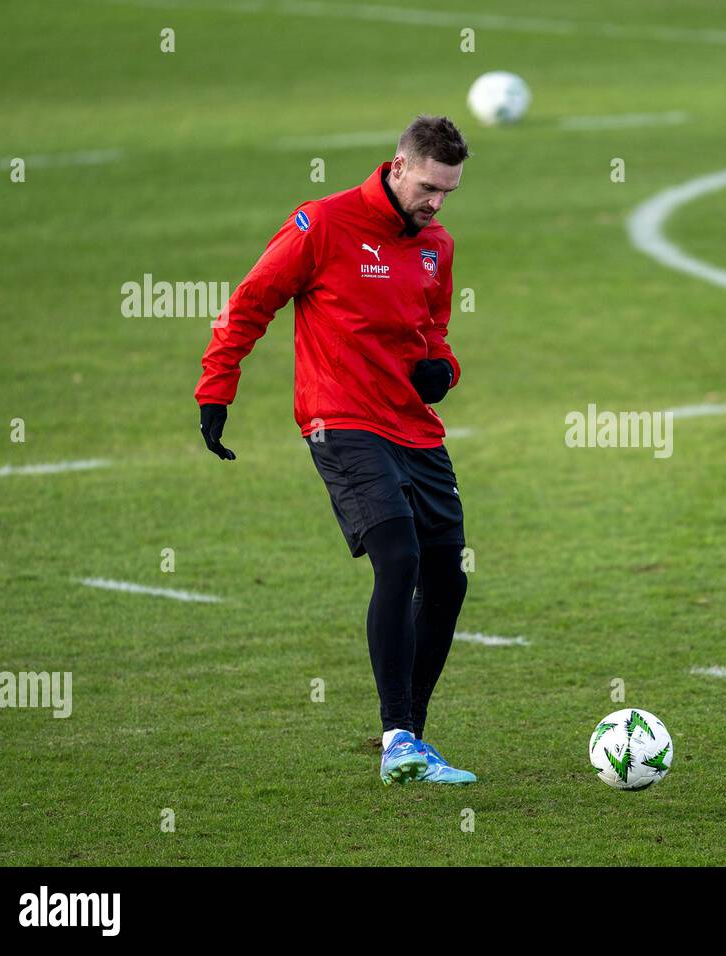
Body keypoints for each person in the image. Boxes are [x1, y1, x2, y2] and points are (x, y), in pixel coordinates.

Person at [194, 115, 476, 786]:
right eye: (430, 187)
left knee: (447, 577)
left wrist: (445, 369)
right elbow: (250, 302)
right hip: (340, 418)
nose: (436, 204)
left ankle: (413, 740)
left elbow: (432, 332)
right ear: (398, 167)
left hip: (413, 427)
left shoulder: (437, 245)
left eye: (449, 193)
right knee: (399, 555)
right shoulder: (322, 225)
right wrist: (217, 387)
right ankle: (398, 735)